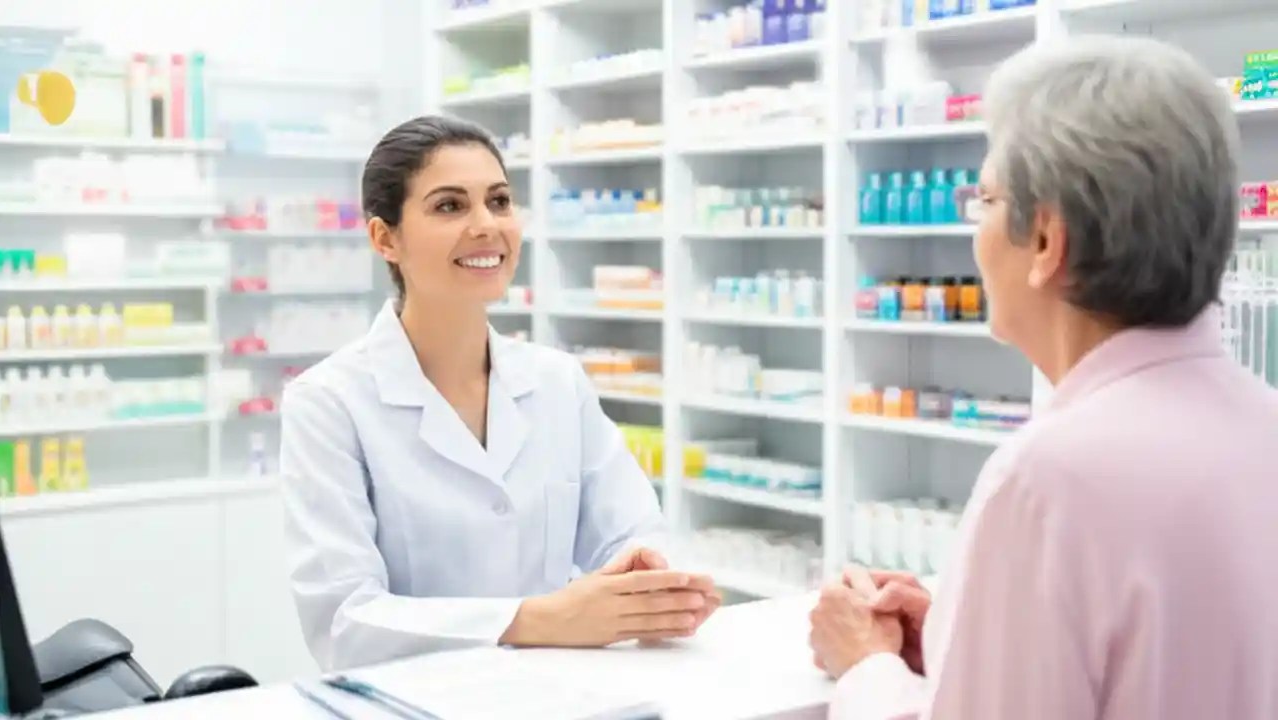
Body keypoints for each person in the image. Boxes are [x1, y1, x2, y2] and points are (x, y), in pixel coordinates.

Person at [809, 36, 1278, 719]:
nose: (978, 234)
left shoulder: (1049, 480)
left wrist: (867, 668)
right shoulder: (1264, 423)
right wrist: (959, 637)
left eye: (986, 201)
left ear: (1046, 241)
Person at [280, 115, 720, 671]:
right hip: (416, 704)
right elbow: (343, 621)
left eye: (500, 201)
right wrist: (541, 619)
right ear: (385, 238)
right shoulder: (329, 402)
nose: (487, 225)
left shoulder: (558, 381)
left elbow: (631, 530)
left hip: (558, 691)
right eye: (449, 206)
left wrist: (656, 582)